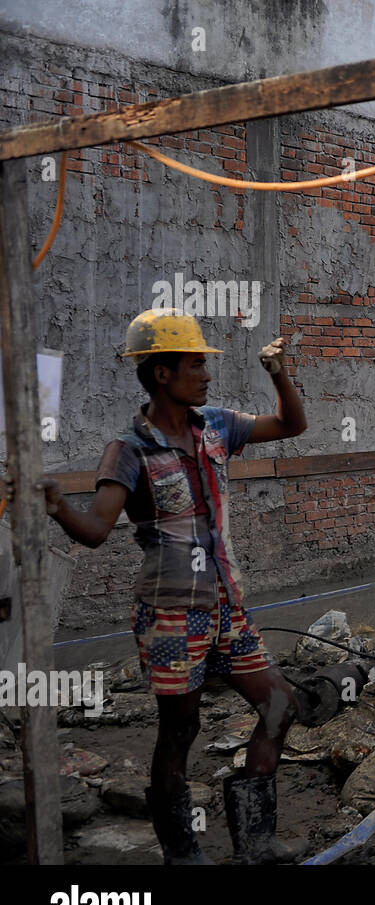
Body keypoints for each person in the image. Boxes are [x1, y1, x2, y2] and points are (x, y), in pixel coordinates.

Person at [16, 309, 308, 863]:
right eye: (195, 364)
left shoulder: (216, 426)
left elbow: (291, 426)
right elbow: (98, 530)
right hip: (172, 615)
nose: (206, 374)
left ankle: (256, 842)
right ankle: (181, 851)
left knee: (280, 705)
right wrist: (56, 506)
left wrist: (277, 373)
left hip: (227, 604)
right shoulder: (127, 450)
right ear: (161, 375)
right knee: (180, 730)